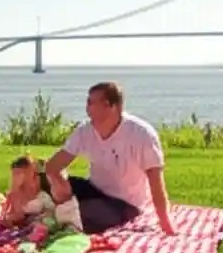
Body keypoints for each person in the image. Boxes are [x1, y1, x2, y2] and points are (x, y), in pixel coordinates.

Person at [44, 81, 176, 235]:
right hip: (94, 190)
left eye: (91, 103)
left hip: (124, 204)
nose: (87, 109)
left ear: (111, 106)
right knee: (41, 180)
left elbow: (156, 183)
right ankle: (59, 214)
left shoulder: (142, 135)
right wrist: (60, 186)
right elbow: (53, 165)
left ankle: (61, 217)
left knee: (84, 212)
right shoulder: (84, 132)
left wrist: (166, 223)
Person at [0, 154, 56, 228]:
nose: (15, 178)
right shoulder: (15, 193)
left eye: (18, 173)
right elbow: (14, 213)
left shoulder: (42, 195)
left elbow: (52, 211)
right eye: (14, 174)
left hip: (40, 219)